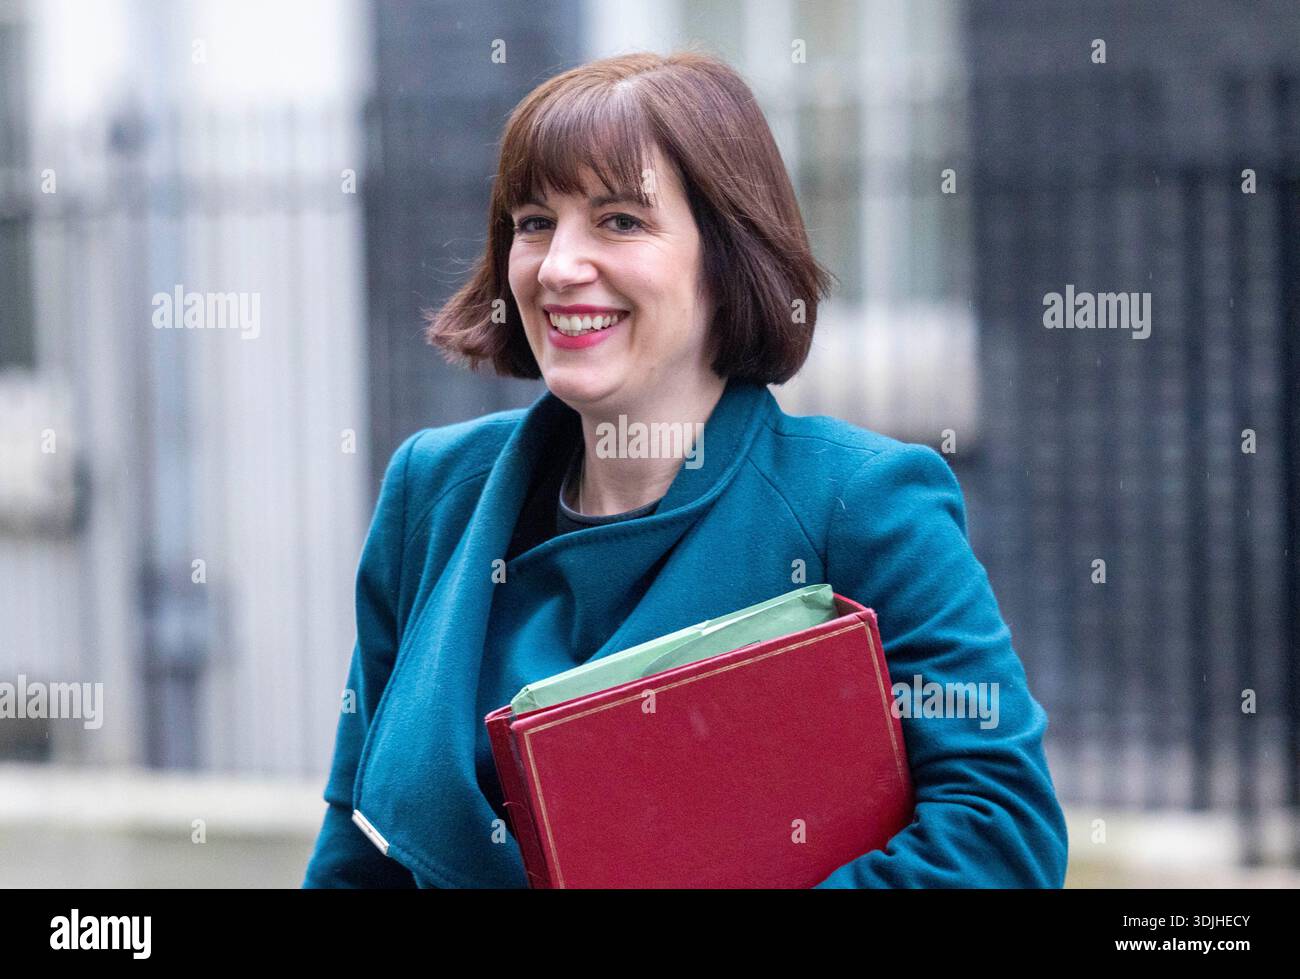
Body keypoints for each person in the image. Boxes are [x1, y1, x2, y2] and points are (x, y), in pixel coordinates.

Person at [302, 50, 1068, 888]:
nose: (557, 265)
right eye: (534, 222)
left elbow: (1001, 832)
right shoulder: (432, 493)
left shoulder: (862, 503)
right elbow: (358, 844)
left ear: (727, 255)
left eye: (619, 221)